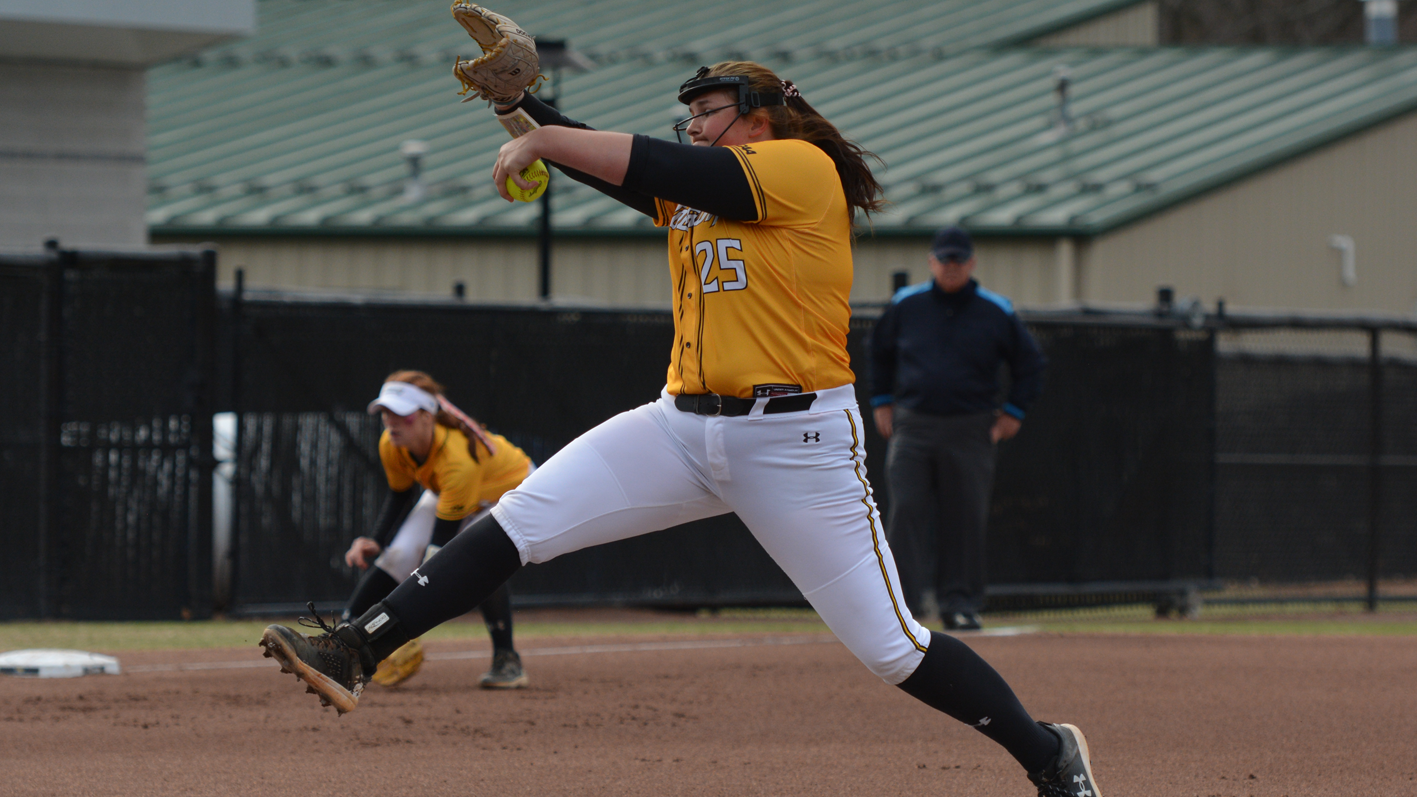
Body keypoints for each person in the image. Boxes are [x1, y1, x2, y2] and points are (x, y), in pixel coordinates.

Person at [259, 60, 1101, 796]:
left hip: (795, 442)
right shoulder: (695, 188)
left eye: (709, 110)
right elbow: (623, 167)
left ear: (760, 117)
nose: (693, 125)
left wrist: (543, 139)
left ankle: (1047, 754)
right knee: (517, 520)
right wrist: (521, 105)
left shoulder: (800, 167)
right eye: (689, 114)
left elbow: (648, 162)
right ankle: (354, 652)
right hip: (678, 426)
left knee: (892, 648)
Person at [868, 226, 1047, 632]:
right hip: (913, 425)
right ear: (931, 262)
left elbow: (1031, 365)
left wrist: (1013, 413)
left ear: (971, 263)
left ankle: (960, 603)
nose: (951, 267)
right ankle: (901, 608)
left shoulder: (995, 309)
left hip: (971, 427)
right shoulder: (906, 304)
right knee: (906, 512)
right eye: (944, 260)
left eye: (958, 260)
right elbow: (877, 353)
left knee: (964, 517)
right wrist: (881, 402)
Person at [342, 370, 533, 689]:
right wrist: (376, 540)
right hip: (454, 492)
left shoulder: (457, 461)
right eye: (386, 413)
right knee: (397, 555)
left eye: (402, 415)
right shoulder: (392, 443)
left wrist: (402, 628)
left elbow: (437, 558)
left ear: (428, 417)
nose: (392, 422)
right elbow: (401, 494)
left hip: (514, 491)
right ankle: (341, 641)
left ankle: (507, 659)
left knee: (486, 555)